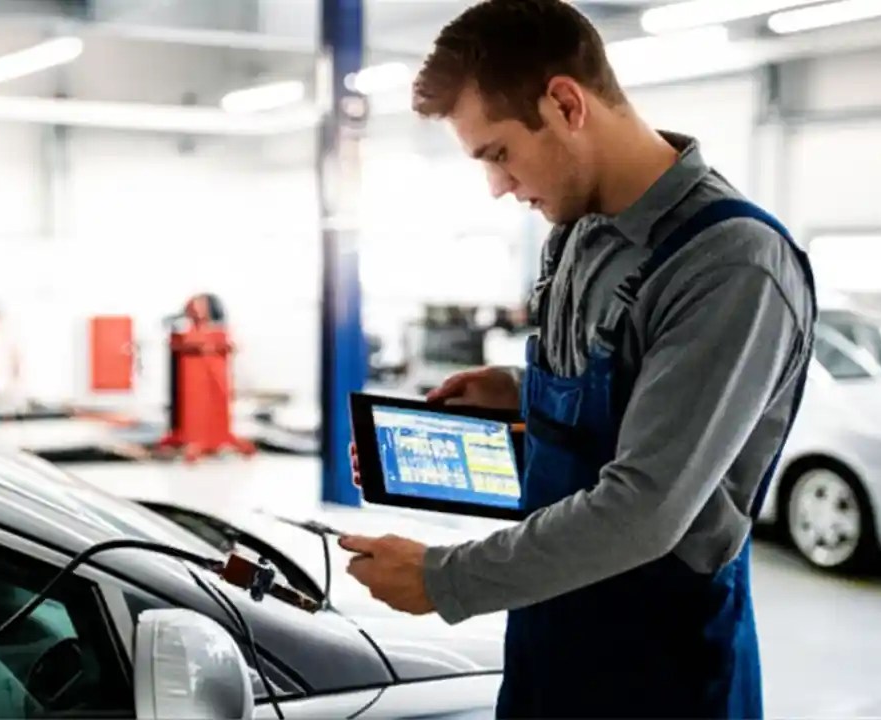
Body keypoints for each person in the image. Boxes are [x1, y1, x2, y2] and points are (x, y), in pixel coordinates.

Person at [338, 1, 817, 717]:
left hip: (660, 671)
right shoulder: (578, 233)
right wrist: (516, 391)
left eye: (497, 153)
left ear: (566, 103)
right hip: (549, 636)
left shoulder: (732, 264)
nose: (498, 186)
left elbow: (644, 509)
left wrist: (446, 579)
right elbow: (621, 393)